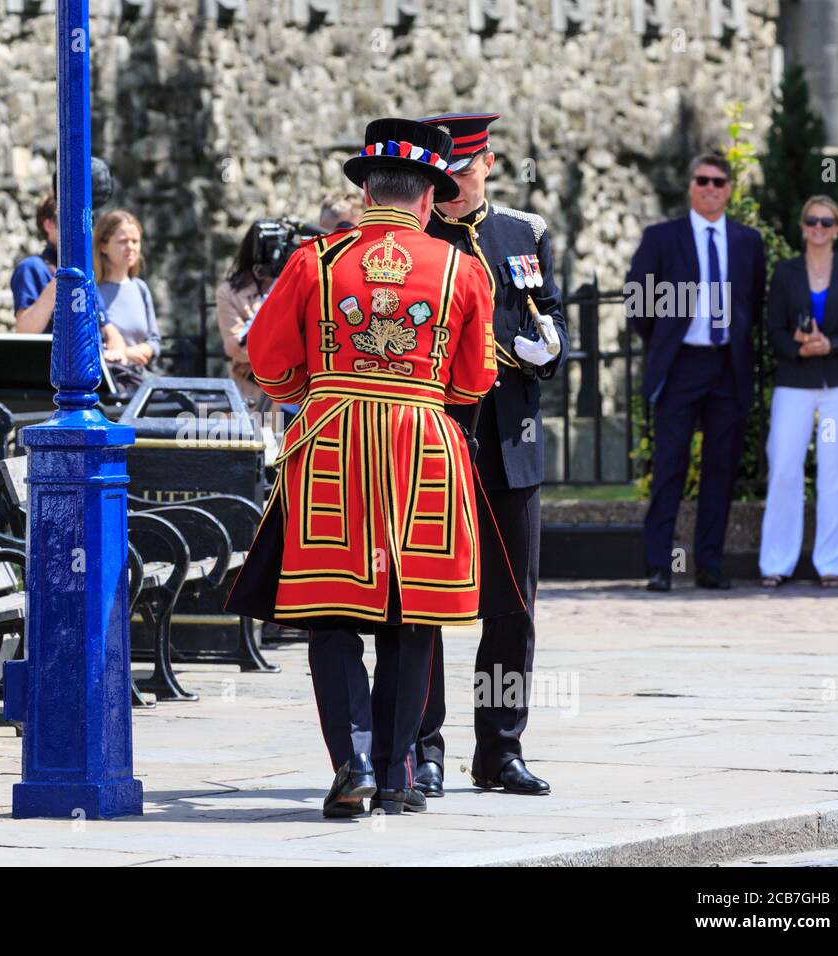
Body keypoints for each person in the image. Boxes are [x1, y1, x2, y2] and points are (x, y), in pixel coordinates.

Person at [226, 117, 497, 817]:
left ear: (368, 186)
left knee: (329, 613)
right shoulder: (463, 270)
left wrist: (318, 393)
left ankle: (353, 768)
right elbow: (473, 381)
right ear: (430, 194)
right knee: (416, 617)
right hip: (421, 448)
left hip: (332, 445)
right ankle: (399, 772)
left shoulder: (314, 260)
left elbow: (266, 361)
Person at [414, 112, 570, 798]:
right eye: (442, 175)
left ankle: (499, 748)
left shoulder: (523, 233)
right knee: (420, 599)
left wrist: (551, 346)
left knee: (512, 606)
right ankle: (421, 745)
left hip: (511, 443)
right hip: (437, 439)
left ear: (491, 165)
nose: (452, 185)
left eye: (465, 171)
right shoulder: (413, 236)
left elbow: (549, 311)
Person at [627, 153, 767, 592]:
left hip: (728, 364)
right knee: (669, 466)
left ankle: (709, 565)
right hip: (681, 364)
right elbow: (638, 302)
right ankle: (659, 566)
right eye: (703, 180)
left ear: (730, 189)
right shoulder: (662, 237)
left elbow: (754, 305)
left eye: (719, 182)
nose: (711, 188)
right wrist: (666, 343)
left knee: (720, 470)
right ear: (691, 186)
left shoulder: (748, 241)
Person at [760, 196, 838, 588]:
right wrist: (797, 345)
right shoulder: (786, 273)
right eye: (812, 221)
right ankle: (776, 561)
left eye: (827, 222)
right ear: (803, 226)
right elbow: (772, 329)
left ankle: (833, 564)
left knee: (835, 471)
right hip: (796, 382)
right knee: (785, 468)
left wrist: (832, 344)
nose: (819, 228)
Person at [215, 220, 276, 409]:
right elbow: (235, 347)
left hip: (292, 397)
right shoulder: (229, 292)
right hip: (249, 392)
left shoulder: (293, 284)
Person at [94, 209, 161, 372]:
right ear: (103, 246)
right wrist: (123, 354)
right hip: (106, 380)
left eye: (135, 241)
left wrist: (140, 351)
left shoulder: (140, 288)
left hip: (139, 379)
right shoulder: (91, 290)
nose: (130, 247)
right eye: (123, 241)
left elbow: (154, 340)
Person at [12, 193, 58, 333]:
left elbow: (106, 327)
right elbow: (25, 330)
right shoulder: (31, 268)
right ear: (48, 225)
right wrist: (63, 279)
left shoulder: (86, 271)